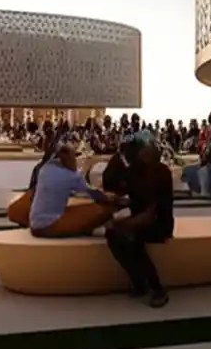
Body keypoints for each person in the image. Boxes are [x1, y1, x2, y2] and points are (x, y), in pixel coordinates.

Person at [106, 131, 174, 308]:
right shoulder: (136, 171)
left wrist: (125, 224)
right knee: (113, 235)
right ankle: (139, 282)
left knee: (132, 239)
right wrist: (121, 202)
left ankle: (157, 288)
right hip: (141, 218)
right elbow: (137, 199)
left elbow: (150, 213)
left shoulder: (160, 173)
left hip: (159, 223)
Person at [28, 140, 114, 237]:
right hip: (48, 226)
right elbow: (93, 193)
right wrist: (109, 198)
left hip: (34, 224)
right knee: (102, 210)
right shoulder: (71, 175)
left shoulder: (45, 169)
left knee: (75, 209)